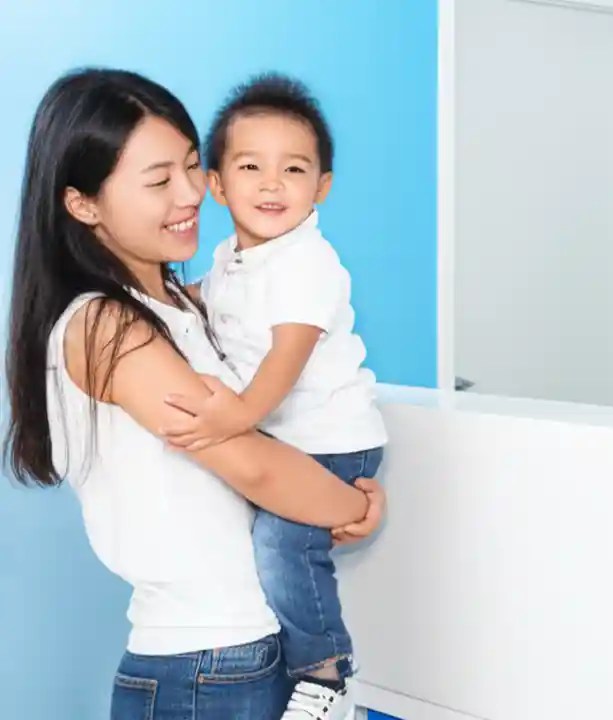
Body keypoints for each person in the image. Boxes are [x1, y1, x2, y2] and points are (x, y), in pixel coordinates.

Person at [4, 68, 384, 719]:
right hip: (206, 667)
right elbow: (252, 462)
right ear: (83, 203)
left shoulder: (181, 301)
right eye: (158, 181)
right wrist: (354, 505)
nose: (191, 195)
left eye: (189, 166)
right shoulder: (105, 325)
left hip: (246, 651)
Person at [158, 73, 386, 717]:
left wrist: (237, 417)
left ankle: (327, 673)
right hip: (287, 437)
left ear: (322, 187)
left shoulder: (308, 264)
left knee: (283, 546)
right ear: (218, 185)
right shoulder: (234, 255)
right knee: (268, 546)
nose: (271, 184)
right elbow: (204, 300)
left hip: (333, 440)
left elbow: (288, 355)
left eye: (294, 169)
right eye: (251, 166)